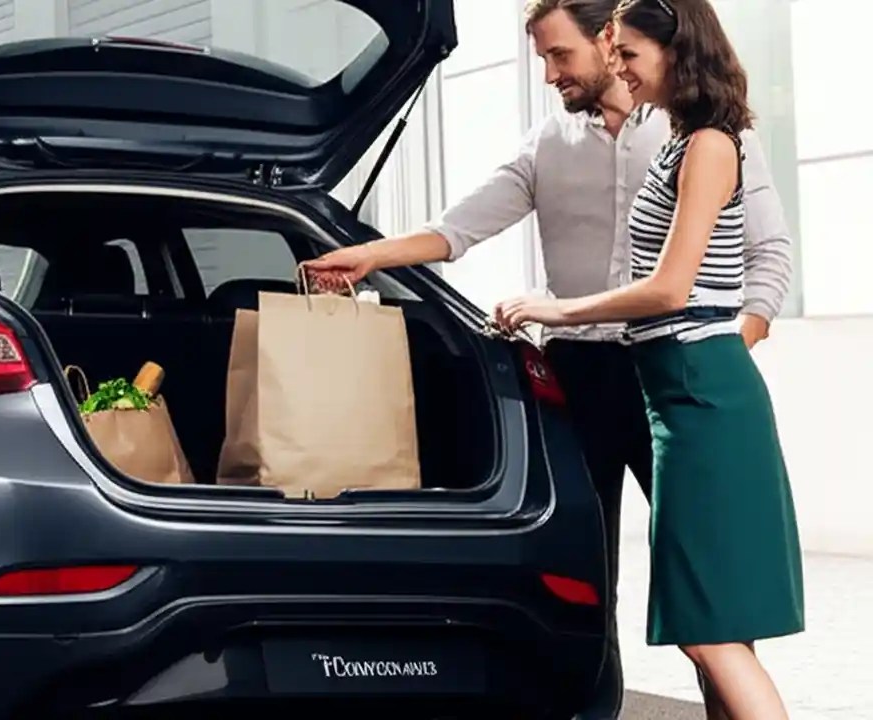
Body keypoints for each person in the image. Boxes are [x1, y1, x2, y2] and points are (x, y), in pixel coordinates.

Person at [303, 0, 795, 717]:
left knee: (712, 595)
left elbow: (765, 257)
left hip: (681, 380)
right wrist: (366, 256)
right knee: (585, 572)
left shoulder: (692, 134)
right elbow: (457, 230)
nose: (549, 73)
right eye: (540, 57)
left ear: (607, 42)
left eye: (559, 55)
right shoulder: (549, 144)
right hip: (583, 374)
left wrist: (719, 345)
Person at [489, 0, 805, 718]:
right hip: (676, 396)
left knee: (713, 633)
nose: (620, 65)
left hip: (703, 395)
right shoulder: (679, 141)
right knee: (707, 626)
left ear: (676, 50)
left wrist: (554, 307)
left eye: (629, 53)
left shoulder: (712, 146)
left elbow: (669, 287)